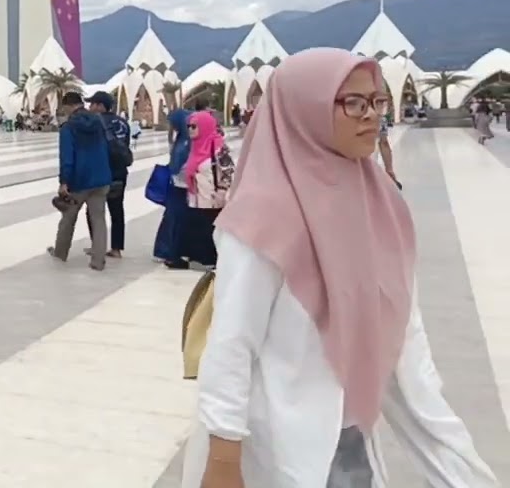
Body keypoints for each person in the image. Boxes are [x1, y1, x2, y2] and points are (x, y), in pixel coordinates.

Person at [187, 48, 496, 488]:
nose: (371, 115)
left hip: (351, 438)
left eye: (376, 100)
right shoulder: (264, 215)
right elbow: (232, 344)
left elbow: (403, 328)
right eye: (352, 102)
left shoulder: (379, 202)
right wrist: (222, 459)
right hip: (279, 440)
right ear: (304, 110)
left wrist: (454, 457)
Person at [47, 91, 112, 270]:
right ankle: (98, 260)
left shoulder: (68, 128)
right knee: (98, 219)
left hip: (80, 180)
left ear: (68, 106)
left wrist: (64, 182)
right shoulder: (98, 122)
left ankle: (60, 253)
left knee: (68, 217)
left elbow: (67, 157)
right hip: (101, 177)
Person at [169, 111, 230, 269]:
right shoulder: (195, 146)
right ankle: (190, 257)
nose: (190, 129)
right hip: (195, 196)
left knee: (208, 228)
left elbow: (228, 172)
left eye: (194, 126)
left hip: (211, 198)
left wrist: (222, 191)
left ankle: (211, 260)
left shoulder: (218, 147)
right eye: (188, 126)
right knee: (192, 226)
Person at [86, 91, 131, 258]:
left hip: (101, 172)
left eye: (92, 104)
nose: (90, 107)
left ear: (100, 105)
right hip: (120, 171)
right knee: (117, 210)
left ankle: (97, 246)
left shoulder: (95, 122)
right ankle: (116, 248)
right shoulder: (123, 122)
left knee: (94, 211)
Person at [153, 108, 191, 266]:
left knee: (176, 218)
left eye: (173, 123)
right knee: (172, 218)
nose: (172, 126)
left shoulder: (188, 140)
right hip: (177, 184)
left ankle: (174, 250)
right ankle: (166, 250)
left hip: (185, 186)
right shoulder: (181, 138)